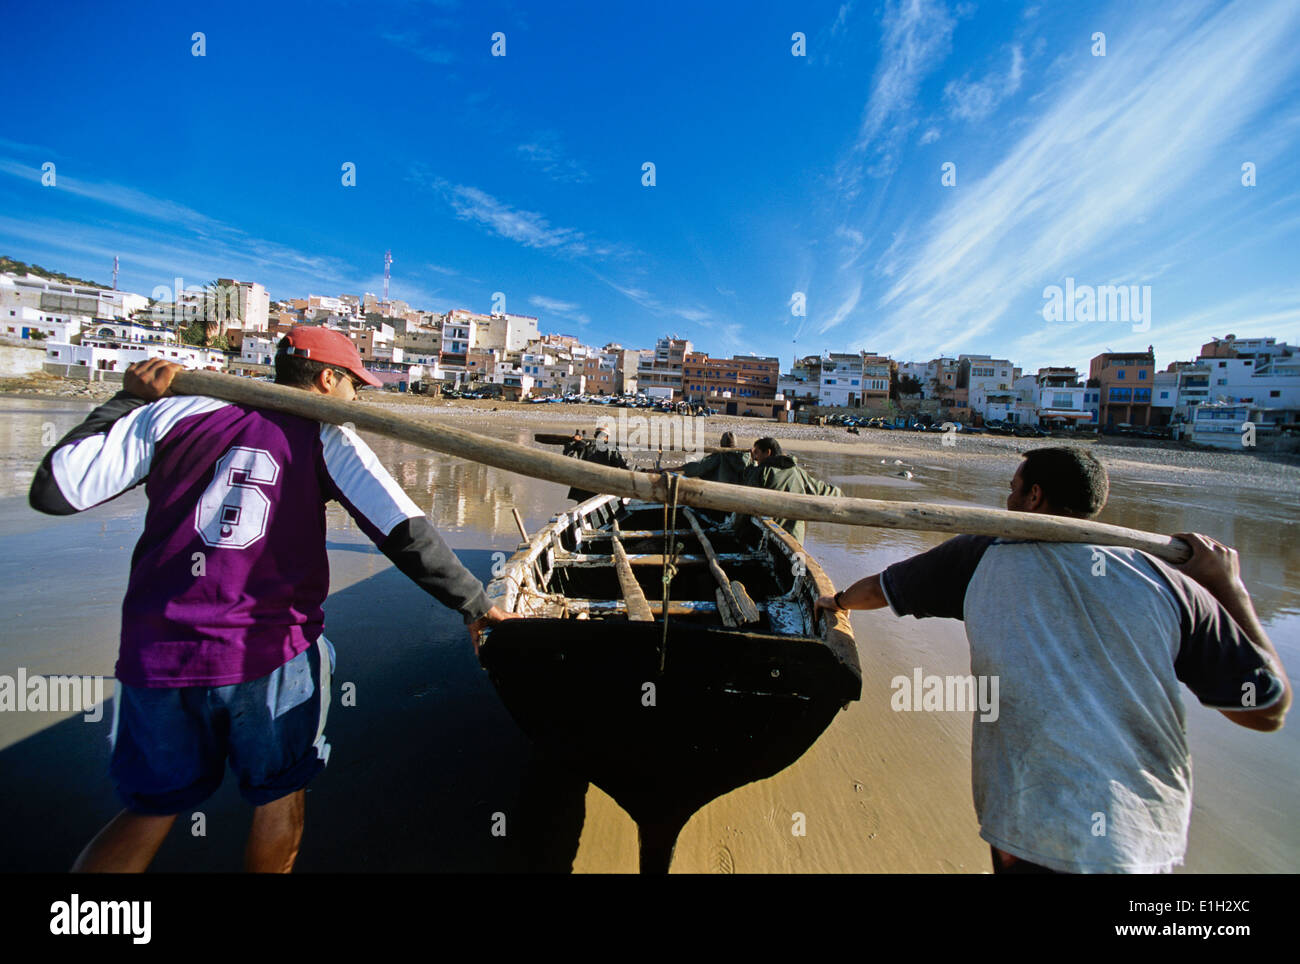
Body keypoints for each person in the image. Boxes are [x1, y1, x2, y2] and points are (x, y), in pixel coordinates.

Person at [29, 326, 514, 873]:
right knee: (279, 800)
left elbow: (53, 490)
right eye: (355, 385)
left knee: (150, 809)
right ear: (328, 379)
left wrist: (126, 400)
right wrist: (476, 604)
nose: (358, 399)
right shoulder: (329, 437)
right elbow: (404, 532)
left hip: (158, 655)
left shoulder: (171, 414)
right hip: (271, 655)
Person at [815, 447, 1290, 874]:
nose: (1008, 500)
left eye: (1013, 490)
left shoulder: (983, 555)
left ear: (1035, 497)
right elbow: (1266, 709)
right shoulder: (1170, 584)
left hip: (1035, 833)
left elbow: (879, 589)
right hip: (1148, 842)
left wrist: (836, 602)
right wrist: (1228, 586)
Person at [742, 437, 841, 543]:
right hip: (795, 536)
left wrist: (751, 463)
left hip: (769, 536)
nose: (756, 457)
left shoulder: (762, 472)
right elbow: (821, 489)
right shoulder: (797, 471)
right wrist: (840, 496)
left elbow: (746, 493)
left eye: (757, 453)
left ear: (768, 452)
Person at [565, 426, 629, 502]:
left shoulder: (584, 445)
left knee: (584, 505)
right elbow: (624, 464)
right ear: (607, 438)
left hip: (584, 487)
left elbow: (567, 458)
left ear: (595, 436)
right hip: (603, 487)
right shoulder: (610, 448)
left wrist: (573, 443)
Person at [663, 432, 751, 484]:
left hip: (724, 492)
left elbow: (700, 467)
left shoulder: (721, 455)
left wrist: (674, 469)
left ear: (721, 444)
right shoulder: (748, 456)